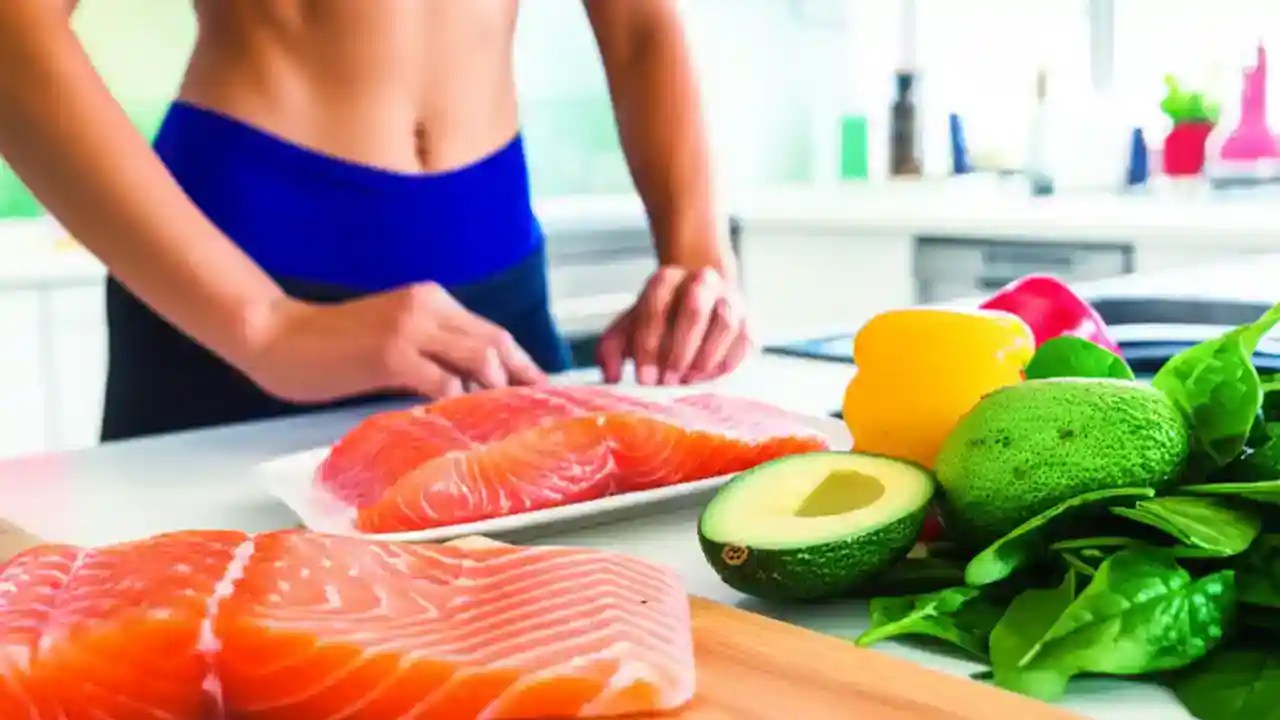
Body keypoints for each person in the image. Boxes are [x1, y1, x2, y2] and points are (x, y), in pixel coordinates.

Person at [0, 1, 751, 441]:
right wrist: (266, 326)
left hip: (498, 289)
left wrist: (697, 254)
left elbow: (640, 26)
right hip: (238, 290)